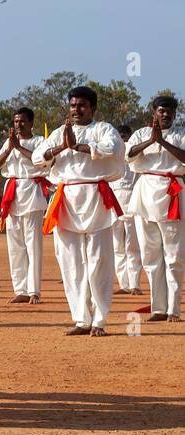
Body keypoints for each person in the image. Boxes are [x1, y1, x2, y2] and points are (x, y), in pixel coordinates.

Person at [32, 86, 125, 337]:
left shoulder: (103, 129)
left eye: (81, 105)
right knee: (71, 263)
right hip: (67, 199)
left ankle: (99, 320)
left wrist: (80, 146)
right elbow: (37, 157)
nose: (76, 110)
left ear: (92, 108)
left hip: (96, 198)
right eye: (73, 105)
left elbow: (113, 150)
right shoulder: (59, 132)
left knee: (99, 262)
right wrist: (62, 147)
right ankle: (81, 319)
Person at [126, 95, 185, 322]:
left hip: (172, 193)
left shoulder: (180, 134)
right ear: (155, 113)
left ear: (175, 114)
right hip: (145, 192)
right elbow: (128, 155)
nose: (165, 114)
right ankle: (158, 308)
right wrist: (151, 140)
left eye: (170, 111)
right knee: (150, 256)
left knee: (173, 256)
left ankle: (174, 309)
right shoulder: (141, 133)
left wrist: (162, 142)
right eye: (161, 111)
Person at [0, 108, 49, 303]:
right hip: (12, 192)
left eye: (22, 121)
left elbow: (41, 161)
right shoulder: (9, 143)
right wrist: (9, 149)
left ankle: (34, 291)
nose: (18, 125)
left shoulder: (39, 141)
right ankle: (21, 290)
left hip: (31, 190)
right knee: (15, 246)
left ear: (31, 123)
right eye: (15, 121)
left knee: (33, 245)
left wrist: (19, 148)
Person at [110, 126, 142, 297]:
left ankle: (135, 284)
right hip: (114, 203)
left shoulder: (134, 156)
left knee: (133, 246)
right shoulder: (113, 155)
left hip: (131, 202)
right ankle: (124, 283)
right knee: (117, 246)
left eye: (125, 137)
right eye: (120, 137)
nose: (123, 140)